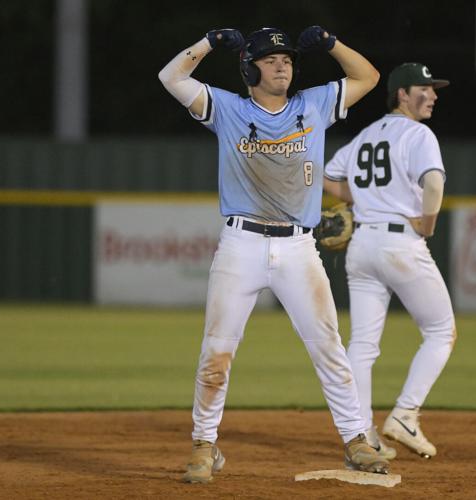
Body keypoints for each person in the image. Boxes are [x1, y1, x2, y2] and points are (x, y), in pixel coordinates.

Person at [158, 25, 389, 483]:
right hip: (241, 244)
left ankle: (356, 440)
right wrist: (206, 43)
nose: (282, 64)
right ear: (249, 68)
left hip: (298, 247)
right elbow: (171, 77)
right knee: (217, 354)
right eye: (270, 59)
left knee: (328, 347)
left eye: (286, 58)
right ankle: (205, 444)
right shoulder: (227, 109)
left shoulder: (312, 105)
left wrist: (331, 45)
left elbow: (369, 77)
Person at [323, 62, 456, 460]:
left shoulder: (366, 135)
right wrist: (429, 223)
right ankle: (406, 414)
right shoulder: (418, 133)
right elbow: (433, 183)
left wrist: (362, 200)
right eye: (424, 88)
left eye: (434, 89)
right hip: (401, 243)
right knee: (440, 331)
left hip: (362, 244)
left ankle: (362, 434)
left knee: (361, 346)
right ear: (402, 94)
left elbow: (328, 180)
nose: (432, 94)